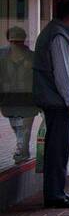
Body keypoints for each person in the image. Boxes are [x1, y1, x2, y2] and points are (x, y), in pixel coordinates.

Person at [32, 0, 69, 210]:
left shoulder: (56, 33)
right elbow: (62, 72)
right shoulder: (59, 36)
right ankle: (54, 194)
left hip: (57, 101)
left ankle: (58, 190)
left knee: (60, 149)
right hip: (58, 103)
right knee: (57, 149)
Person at [0, 25, 38, 164]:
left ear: (24, 41)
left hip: (29, 99)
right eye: (13, 41)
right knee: (16, 125)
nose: (16, 44)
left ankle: (21, 150)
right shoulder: (2, 56)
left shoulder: (32, 57)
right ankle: (22, 147)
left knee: (25, 127)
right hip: (9, 99)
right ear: (9, 41)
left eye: (19, 41)